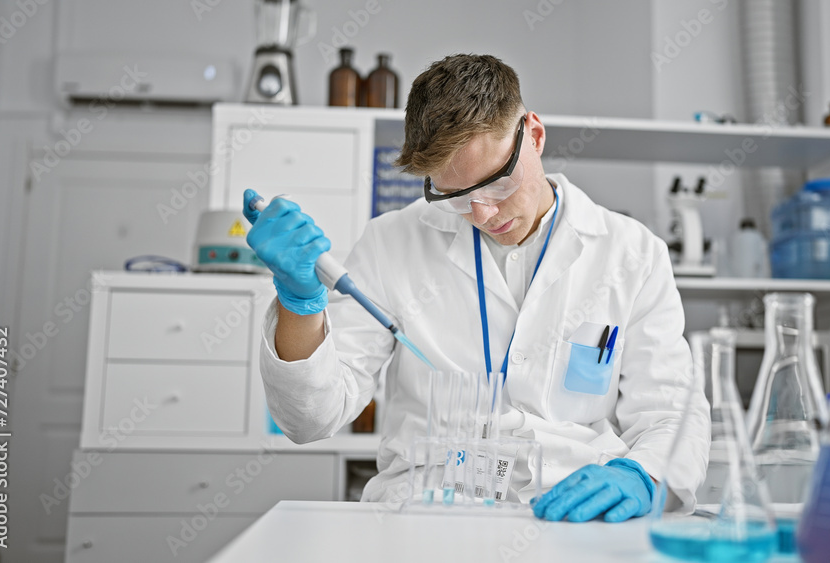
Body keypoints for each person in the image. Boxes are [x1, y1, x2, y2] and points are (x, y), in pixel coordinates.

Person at [243, 54, 710, 522]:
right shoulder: (391, 242)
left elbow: (671, 412)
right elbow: (313, 418)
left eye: (497, 184)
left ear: (536, 135)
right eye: (456, 197)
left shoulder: (632, 254)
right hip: (426, 513)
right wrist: (299, 303)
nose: (484, 215)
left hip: (571, 507)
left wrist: (643, 474)